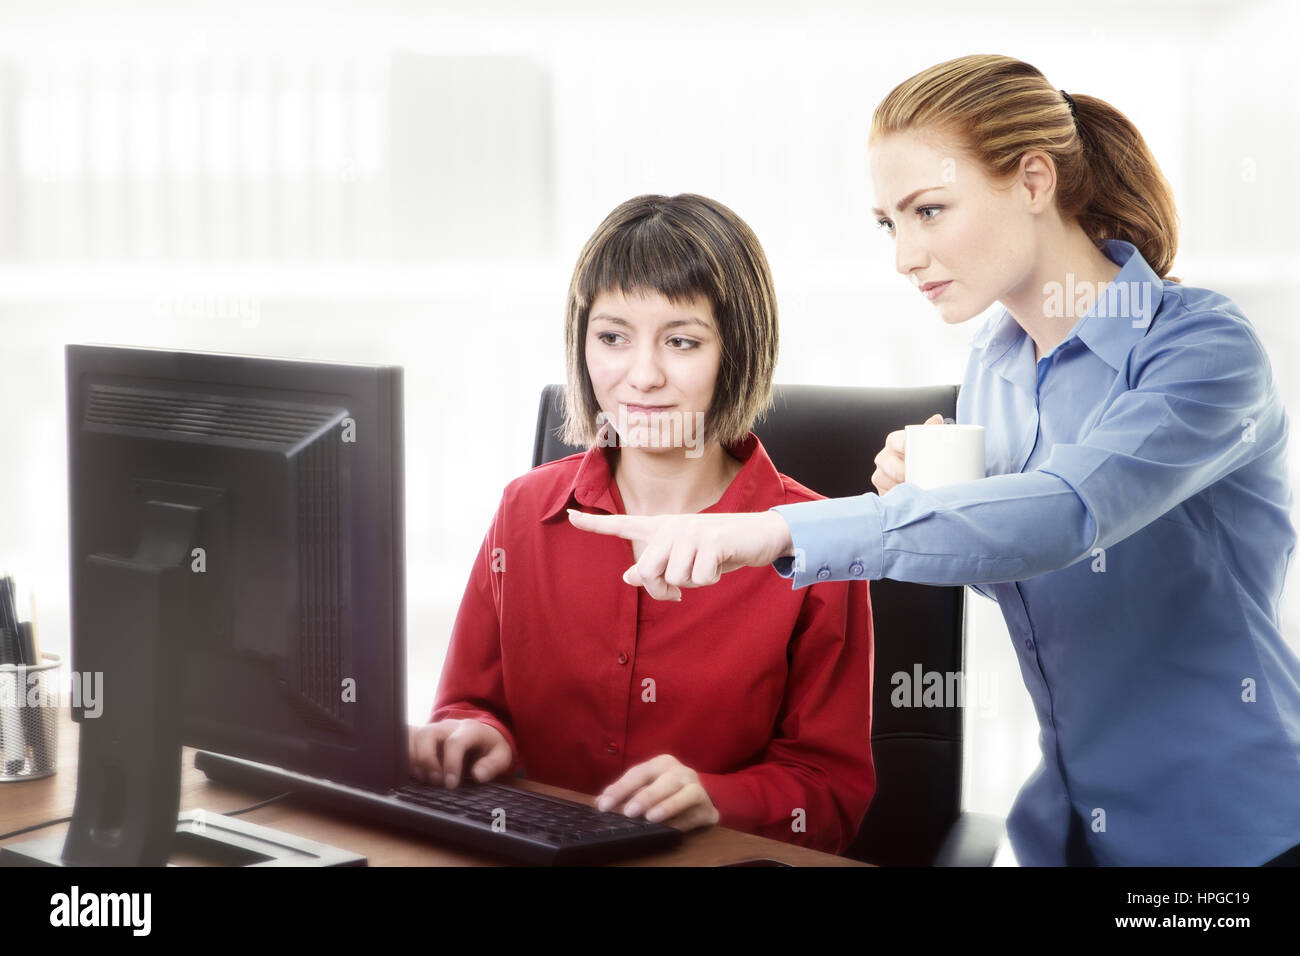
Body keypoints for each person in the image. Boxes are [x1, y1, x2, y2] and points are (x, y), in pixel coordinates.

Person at [568, 55, 1300, 867]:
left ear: (1032, 181)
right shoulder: (996, 364)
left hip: (1231, 840)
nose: (905, 256)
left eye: (928, 211)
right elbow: (1016, 570)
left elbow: (1068, 514)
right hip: (1069, 831)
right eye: (889, 223)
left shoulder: (1203, 349)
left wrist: (777, 530)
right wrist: (933, 499)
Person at [409, 193, 875, 853]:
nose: (642, 376)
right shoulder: (524, 511)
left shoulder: (817, 541)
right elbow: (467, 706)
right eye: (612, 338)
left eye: (682, 341)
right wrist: (474, 736)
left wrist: (714, 797)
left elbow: (830, 797)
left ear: (735, 350)